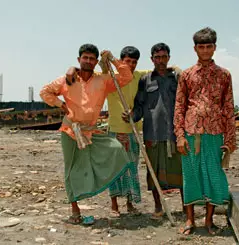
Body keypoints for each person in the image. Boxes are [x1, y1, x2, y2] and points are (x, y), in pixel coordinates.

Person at [40, 43, 134, 224]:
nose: (88, 61)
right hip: (70, 130)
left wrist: (113, 59)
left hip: (92, 131)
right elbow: (45, 92)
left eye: (92, 59)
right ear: (79, 60)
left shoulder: (104, 80)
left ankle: (96, 186)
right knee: (71, 168)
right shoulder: (67, 79)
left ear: (96, 61)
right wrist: (62, 106)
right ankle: (75, 210)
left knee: (116, 148)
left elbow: (126, 76)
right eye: (85, 58)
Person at [173, 27, 236, 235]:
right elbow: (179, 106)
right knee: (190, 176)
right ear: (195, 49)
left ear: (215, 47)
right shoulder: (187, 75)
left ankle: (209, 221)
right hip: (191, 133)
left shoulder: (224, 75)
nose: (206, 50)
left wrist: (230, 139)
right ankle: (190, 220)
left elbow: (228, 107)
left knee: (214, 176)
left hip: (214, 133)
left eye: (209, 46)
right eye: (202, 47)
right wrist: (180, 136)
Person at [122, 43, 183, 220]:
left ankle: (186, 209)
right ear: (152, 59)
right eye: (157, 57)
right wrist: (132, 115)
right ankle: (158, 207)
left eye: (164, 57)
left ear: (169, 58)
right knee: (154, 173)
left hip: (175, 135)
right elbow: (140, 106)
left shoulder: (177, 78)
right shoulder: (145, 80)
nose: (161, 61)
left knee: (180, 174)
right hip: (153, 135)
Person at [100, 46, 150, 217]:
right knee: (114, 168)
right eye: (127, 61)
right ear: (121, 61)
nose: (131, 65)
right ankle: (114, 204)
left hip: (133, 129)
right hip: (114, 129)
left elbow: (159, 70)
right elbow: (103, 67)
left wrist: (175, 69)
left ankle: (130, 203)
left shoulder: (140, 76)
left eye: (134, 62)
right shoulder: (110, 78)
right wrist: (106, 58)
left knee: (132, 168)